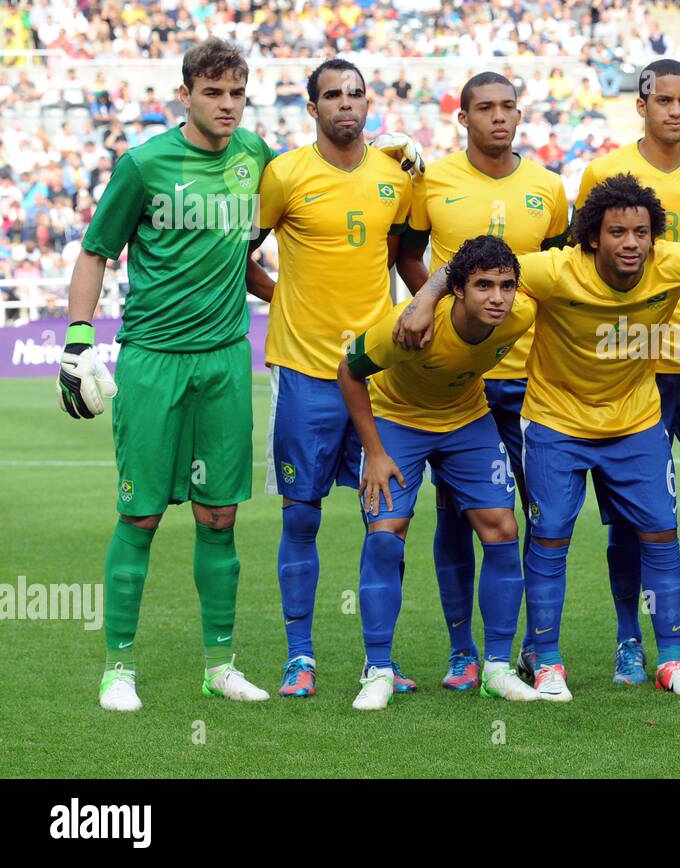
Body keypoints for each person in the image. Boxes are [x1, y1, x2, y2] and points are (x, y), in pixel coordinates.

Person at [392, 173, 680, 700]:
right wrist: (427, 296)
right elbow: (478, 265)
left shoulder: (673, 262)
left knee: (661, 535)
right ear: (593, 237)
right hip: (555, 422)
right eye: (617, 231)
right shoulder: (553, 270)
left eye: (641, 231)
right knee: (549, 540)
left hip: (636, 423)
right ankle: (547, 661)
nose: (632, 242)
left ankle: (670, 660)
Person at [61, 38, 275, 711]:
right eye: (213, 93)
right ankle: (117, 669)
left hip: (224, 361)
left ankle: (221, 665)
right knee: (141, 515)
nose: (227, 106)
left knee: (220, 518)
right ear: (185, 94)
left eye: (237, 93)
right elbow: (96, 251)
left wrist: (291, 300)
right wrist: (76, 339)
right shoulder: (144, 164)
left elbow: (239, 253)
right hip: (152, 361)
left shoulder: (256, 158)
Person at [248, 59, 424, 700]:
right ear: (312, 107)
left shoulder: (395, 177)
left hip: (378, 375)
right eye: (332, 95)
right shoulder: (285, 175)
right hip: (303, 375)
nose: (346, 104)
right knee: (301, 517)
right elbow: (240, 254)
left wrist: (426, 312)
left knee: (386, 522)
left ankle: (380, 660)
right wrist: (282, 298)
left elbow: (399, 256)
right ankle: (301, 657)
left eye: (355, 93)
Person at [403, 71, 568, 693]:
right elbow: (409, 255)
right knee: (456, 516)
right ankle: (461, 651)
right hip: (458, 379)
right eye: (484, 109)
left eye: (508, 107)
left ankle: (534, 647)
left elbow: (558, 275)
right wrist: (436, 304)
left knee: (537, 513)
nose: (498, 117)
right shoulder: (434, 182)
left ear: (519, 115)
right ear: (463, 118)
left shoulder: (548, 188)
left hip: (533, 378)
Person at [574, 58, 680, 686]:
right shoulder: (604, 173)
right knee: (630, 517)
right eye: (663, 100)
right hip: (630, 370)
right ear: (641, 104)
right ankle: (629, 640)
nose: (676, 110)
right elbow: (578, 266)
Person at [337, 237, 542, 707]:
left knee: (502, 529)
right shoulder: (411, 328)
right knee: (386, 536)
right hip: (397, 422)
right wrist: (375, 452)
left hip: (466, 420)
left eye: (506, 286)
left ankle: (495, 667)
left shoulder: (522, 315)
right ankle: (379, 669)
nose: (497, 297)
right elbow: (348, 372)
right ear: (459, 291)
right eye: (484, 285)